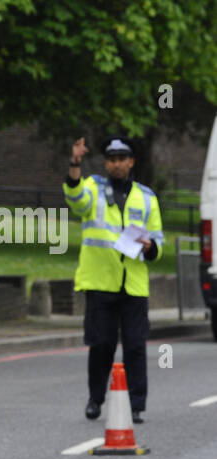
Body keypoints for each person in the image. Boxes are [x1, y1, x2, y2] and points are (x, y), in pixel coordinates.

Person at [65, 136, 163, 424]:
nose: (117, 164)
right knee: (101, 344)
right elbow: (74, 197)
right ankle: (96, 399)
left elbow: (158, 239)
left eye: (122, 159)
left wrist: (151, 247)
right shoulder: (93, 189)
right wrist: (75, 163)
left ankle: (135, 405)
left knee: (135, 345)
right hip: (100, 282)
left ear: (131, 162)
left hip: (133, 284)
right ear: (106, 163)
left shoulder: (146, 197)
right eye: (112, 159)